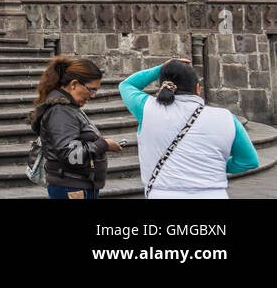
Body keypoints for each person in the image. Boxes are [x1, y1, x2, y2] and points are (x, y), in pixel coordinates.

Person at [120, 58, 259, 198]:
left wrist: (163, 67)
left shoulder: (147, 109)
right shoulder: (226, 118)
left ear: (163, 86)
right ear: (198, 88)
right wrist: (214, 165)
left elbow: (126, 85)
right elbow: (249, 161)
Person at [28, 55, 122, 199]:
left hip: (77, 186)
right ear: (74, 84)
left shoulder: (68, 107)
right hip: (72, 188)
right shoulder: (61, 110)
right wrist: (103, 145)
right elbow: (69, 154)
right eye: (91, 90)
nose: (93, 95)